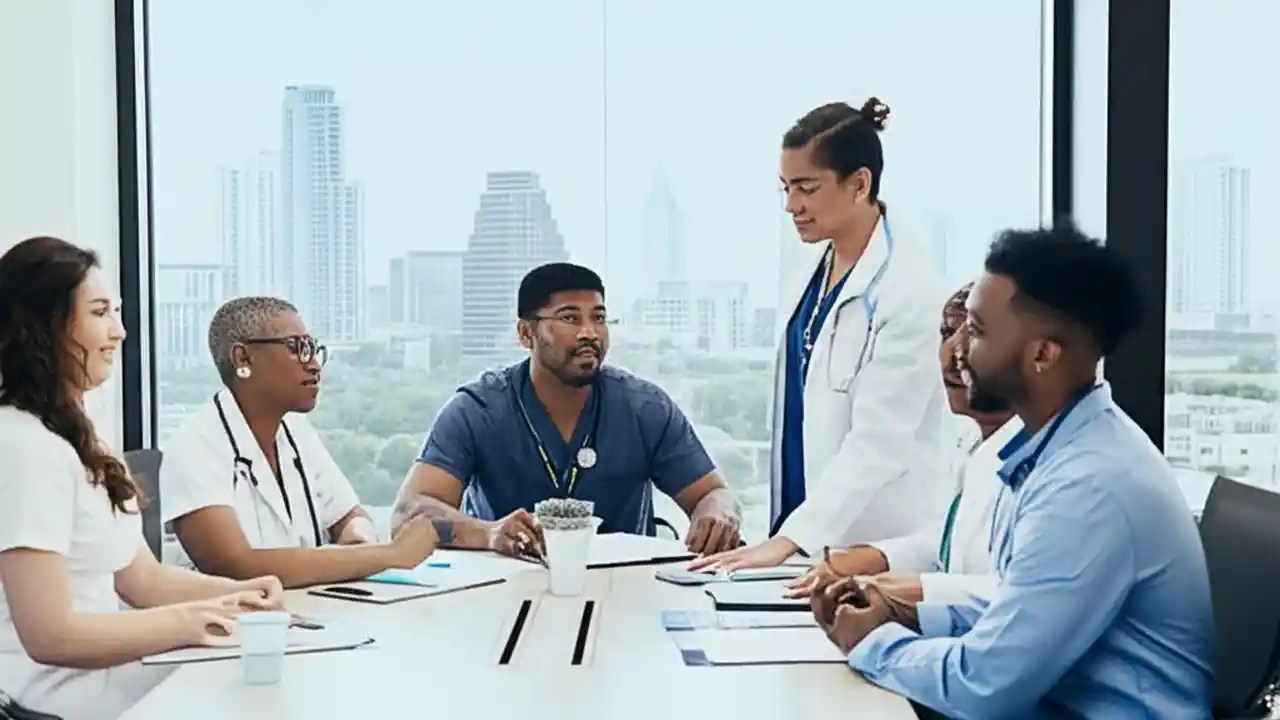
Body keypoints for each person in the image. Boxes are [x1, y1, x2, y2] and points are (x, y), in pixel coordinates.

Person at [811, 226, 1214, 718]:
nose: (958, 351)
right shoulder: (1051, 451)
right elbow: (1017, 606)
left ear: (1043, 354)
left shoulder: (1090, 485)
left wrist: (872, 643)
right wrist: (903, 613)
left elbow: (984, 688)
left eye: (977, 331)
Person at [0, 237, 284, 720]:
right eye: (100, 313)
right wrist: (189, 623)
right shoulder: (24, 447)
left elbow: (143, 580)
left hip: (103, 681)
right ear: (44, 326)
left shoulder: (80, 434)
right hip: (53, 701)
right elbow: (50, 636)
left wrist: (240, 594)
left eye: (117, 311)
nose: (120, 331)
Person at [693, 97, 948, 572]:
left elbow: (879, 444)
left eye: (806, 188)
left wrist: (790, 539)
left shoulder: (909, 289)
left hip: (875, 552)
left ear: (859, 184)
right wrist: (788, 537)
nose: (792, 205)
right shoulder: (810, 265)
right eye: (786, 188)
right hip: (800, 541)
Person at [392, 263, 742, 557]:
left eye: (599, 318)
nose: (589, 333)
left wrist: (718, 515)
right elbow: (409, 512)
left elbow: (712, 493)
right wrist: (489, 533)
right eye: (570, 318)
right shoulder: (478, 409)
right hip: (503, 584)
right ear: (526, 333)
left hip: (623, 589)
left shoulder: (645, 408)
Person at [161, 297, 438, 588]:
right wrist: (390, 554)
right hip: (239, 614)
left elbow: (348, 515)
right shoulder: (193, 447)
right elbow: (237, 566)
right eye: (297, 348)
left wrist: (359, 540)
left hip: (311, 607)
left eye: (314, 349)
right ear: (243, 358)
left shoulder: (295, 432)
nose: (314, 365)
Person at [787, 282, 1020, 604]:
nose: (952, 355)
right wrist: (873, 557)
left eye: (974, 335)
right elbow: (949, 540)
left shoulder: (1041, 462)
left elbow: (1023, 592)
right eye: (946, 334)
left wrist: (901, 591)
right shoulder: (973, 444)